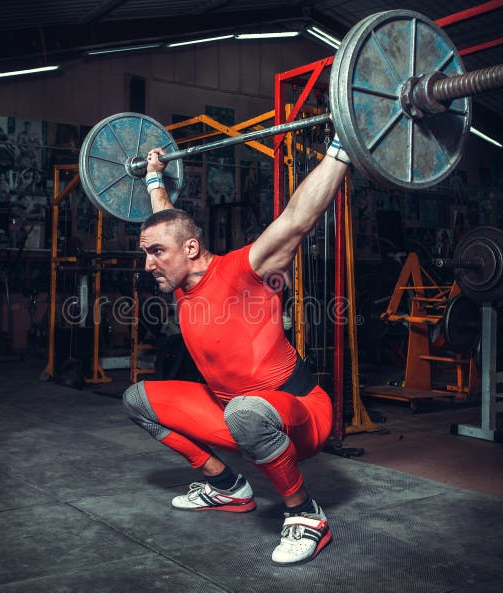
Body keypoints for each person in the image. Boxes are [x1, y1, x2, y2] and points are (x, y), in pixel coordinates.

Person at [122, 131, 353, 566]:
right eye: (146, 253)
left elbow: (297, 219)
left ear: (190, 249)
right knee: (137, 399)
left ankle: (306, 514)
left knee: (245, 412)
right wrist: (154, 177)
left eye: (155, 253)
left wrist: (342, 146)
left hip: (300, 414)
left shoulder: (246, 270)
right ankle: (227, 488)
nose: (148, 264)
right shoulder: (180, 275)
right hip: (233, 411)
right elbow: (167, 223)